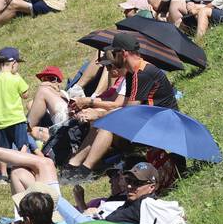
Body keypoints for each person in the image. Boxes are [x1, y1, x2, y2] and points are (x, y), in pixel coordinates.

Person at [60, 32, 177, 182]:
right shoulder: (132, 73)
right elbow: (126, 106)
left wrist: (98, 114)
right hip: (149, 120)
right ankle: (73, 165)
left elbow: (130, 112)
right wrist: (98, 113)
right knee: (103, 121)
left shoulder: (142, 73)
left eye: (114, 53)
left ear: (123, 53)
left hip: (162, 125)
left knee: (107, 125)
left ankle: (85, 171)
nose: (112, 58)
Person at [0, 45, 31, 168]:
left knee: (2, 150)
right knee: (22, 145)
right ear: (13, 63)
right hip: (17, 119)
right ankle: (20, 167)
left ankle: (3, 175)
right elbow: (25, 95)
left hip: (0, 121)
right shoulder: (16, 78)